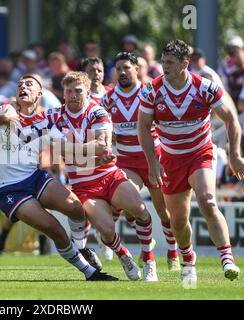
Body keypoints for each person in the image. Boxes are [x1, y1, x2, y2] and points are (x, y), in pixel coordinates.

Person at [0, 73, 115, 281]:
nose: (22, 87)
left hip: (35, 177)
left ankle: (82, 248)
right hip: (8, 188)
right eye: (19, 84)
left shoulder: (46, 120)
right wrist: (0, 119)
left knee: (76, 208)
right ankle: (89, 272)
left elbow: (70, 153)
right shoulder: (3, 109)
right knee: (54, 228)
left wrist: (98, 159)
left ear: (39, 94)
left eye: (29, 84)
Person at [137, 39, 244, 283]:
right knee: (177, 221)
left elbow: (232, 118)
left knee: (208, 201)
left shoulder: (205, 87)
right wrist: (152, 161)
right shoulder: (151, 91)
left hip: (200, 153)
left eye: (169, 62)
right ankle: (188, 257)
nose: (163, 66)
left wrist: (235, 156)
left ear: (184, 64)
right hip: (170, 160)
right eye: (162, 61)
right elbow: (143, 128)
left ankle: (227, 259)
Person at [48, 71, 158, 281]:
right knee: (107, 232)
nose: (72, 95)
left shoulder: (97, 112)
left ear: (88, 91)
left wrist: (65, 149)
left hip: (109, 176)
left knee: (140, 210)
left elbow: (102, 146)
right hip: (83, 186)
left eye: (78, 91)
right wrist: (81, 152)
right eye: (68, 91)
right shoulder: (54, 115)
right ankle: (123, 255)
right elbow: (55, 150)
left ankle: (149, 260)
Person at [102, 52, 180, 271]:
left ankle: (172, 251)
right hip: (126, 161)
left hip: (152, 160)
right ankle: (148, 243)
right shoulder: (108, 99)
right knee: (126, 203)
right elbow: (102, 127)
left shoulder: (149, 92)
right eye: (119, 69)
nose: (123, 72)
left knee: (163, 210)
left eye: (127, 67)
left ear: (137, 69)